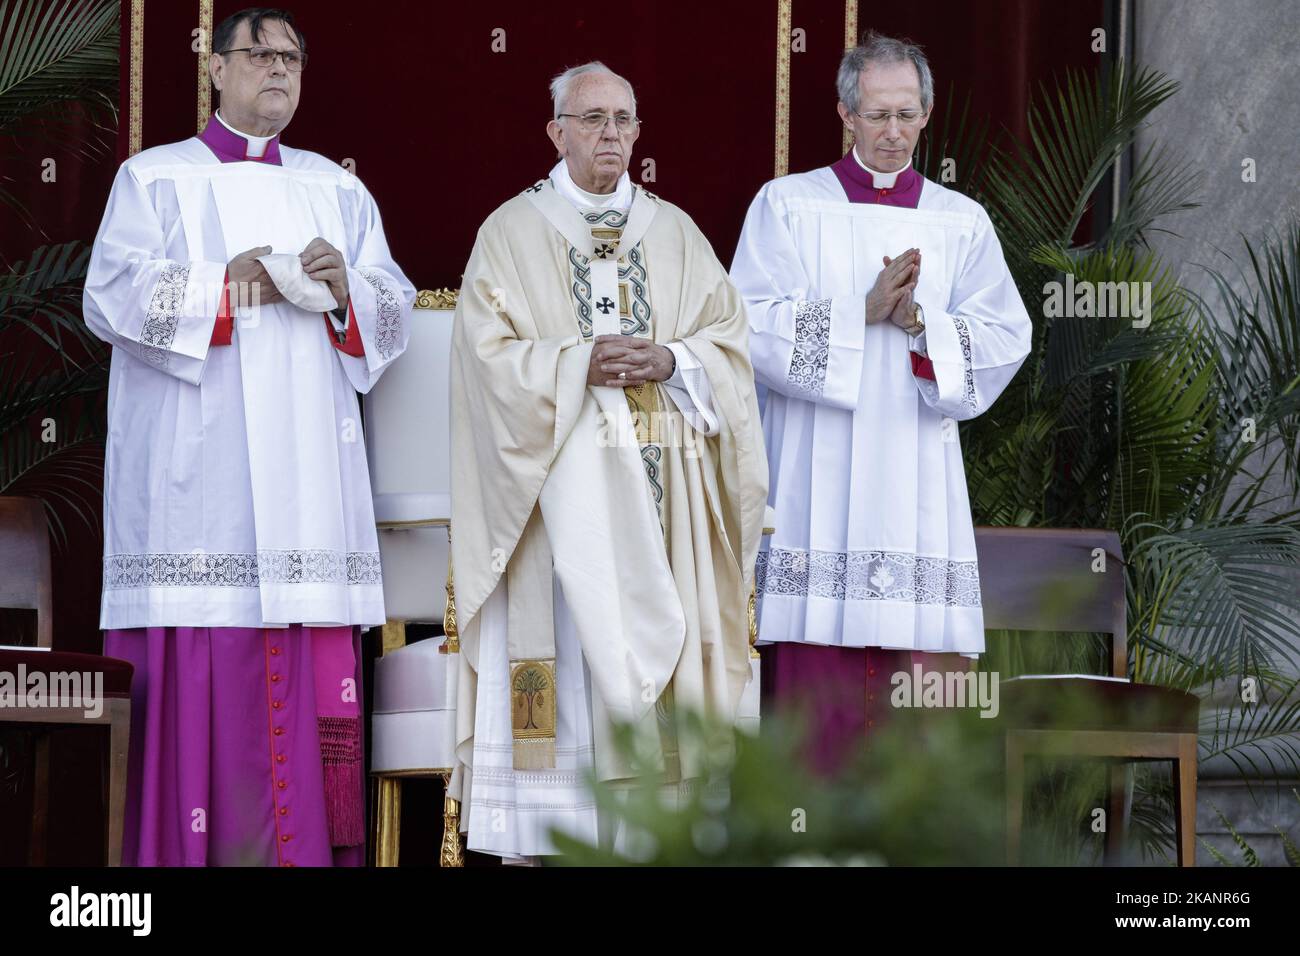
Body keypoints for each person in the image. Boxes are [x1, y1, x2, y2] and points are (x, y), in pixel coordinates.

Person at [83, 6, 414, 865]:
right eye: (259, 55)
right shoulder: (155, 179)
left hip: (309, 482)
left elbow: (392, 305)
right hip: (200, 482)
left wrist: (348, 293)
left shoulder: (336, 189)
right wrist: (219, 287)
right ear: (216, 70)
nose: (278, 69)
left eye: (292, 58)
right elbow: (111, 294)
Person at [448, 62, 768, 862]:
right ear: (555, 131)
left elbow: (730, 348)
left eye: (624, 120)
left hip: (665, 492)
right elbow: (484, 363)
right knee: (568, 638)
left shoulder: (675, 234)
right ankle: (556, 835)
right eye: (592, 119)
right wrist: (574, 365)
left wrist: (671, 359)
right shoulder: (510, 233)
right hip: (555, 509)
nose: (611, 136)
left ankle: (651, 834)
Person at [730, 32, 1032, 773]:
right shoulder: (789, 206)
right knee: (814, 694)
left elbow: (1006, 337)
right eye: (876, 115)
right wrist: (857, 312)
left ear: (926, 115)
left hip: (916, 480)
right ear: (844, 113)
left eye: (906, 114)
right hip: (814, 476)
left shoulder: (961, 222)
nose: (892, 132)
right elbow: (745, 324)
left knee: (918, 686)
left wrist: (924, 325)